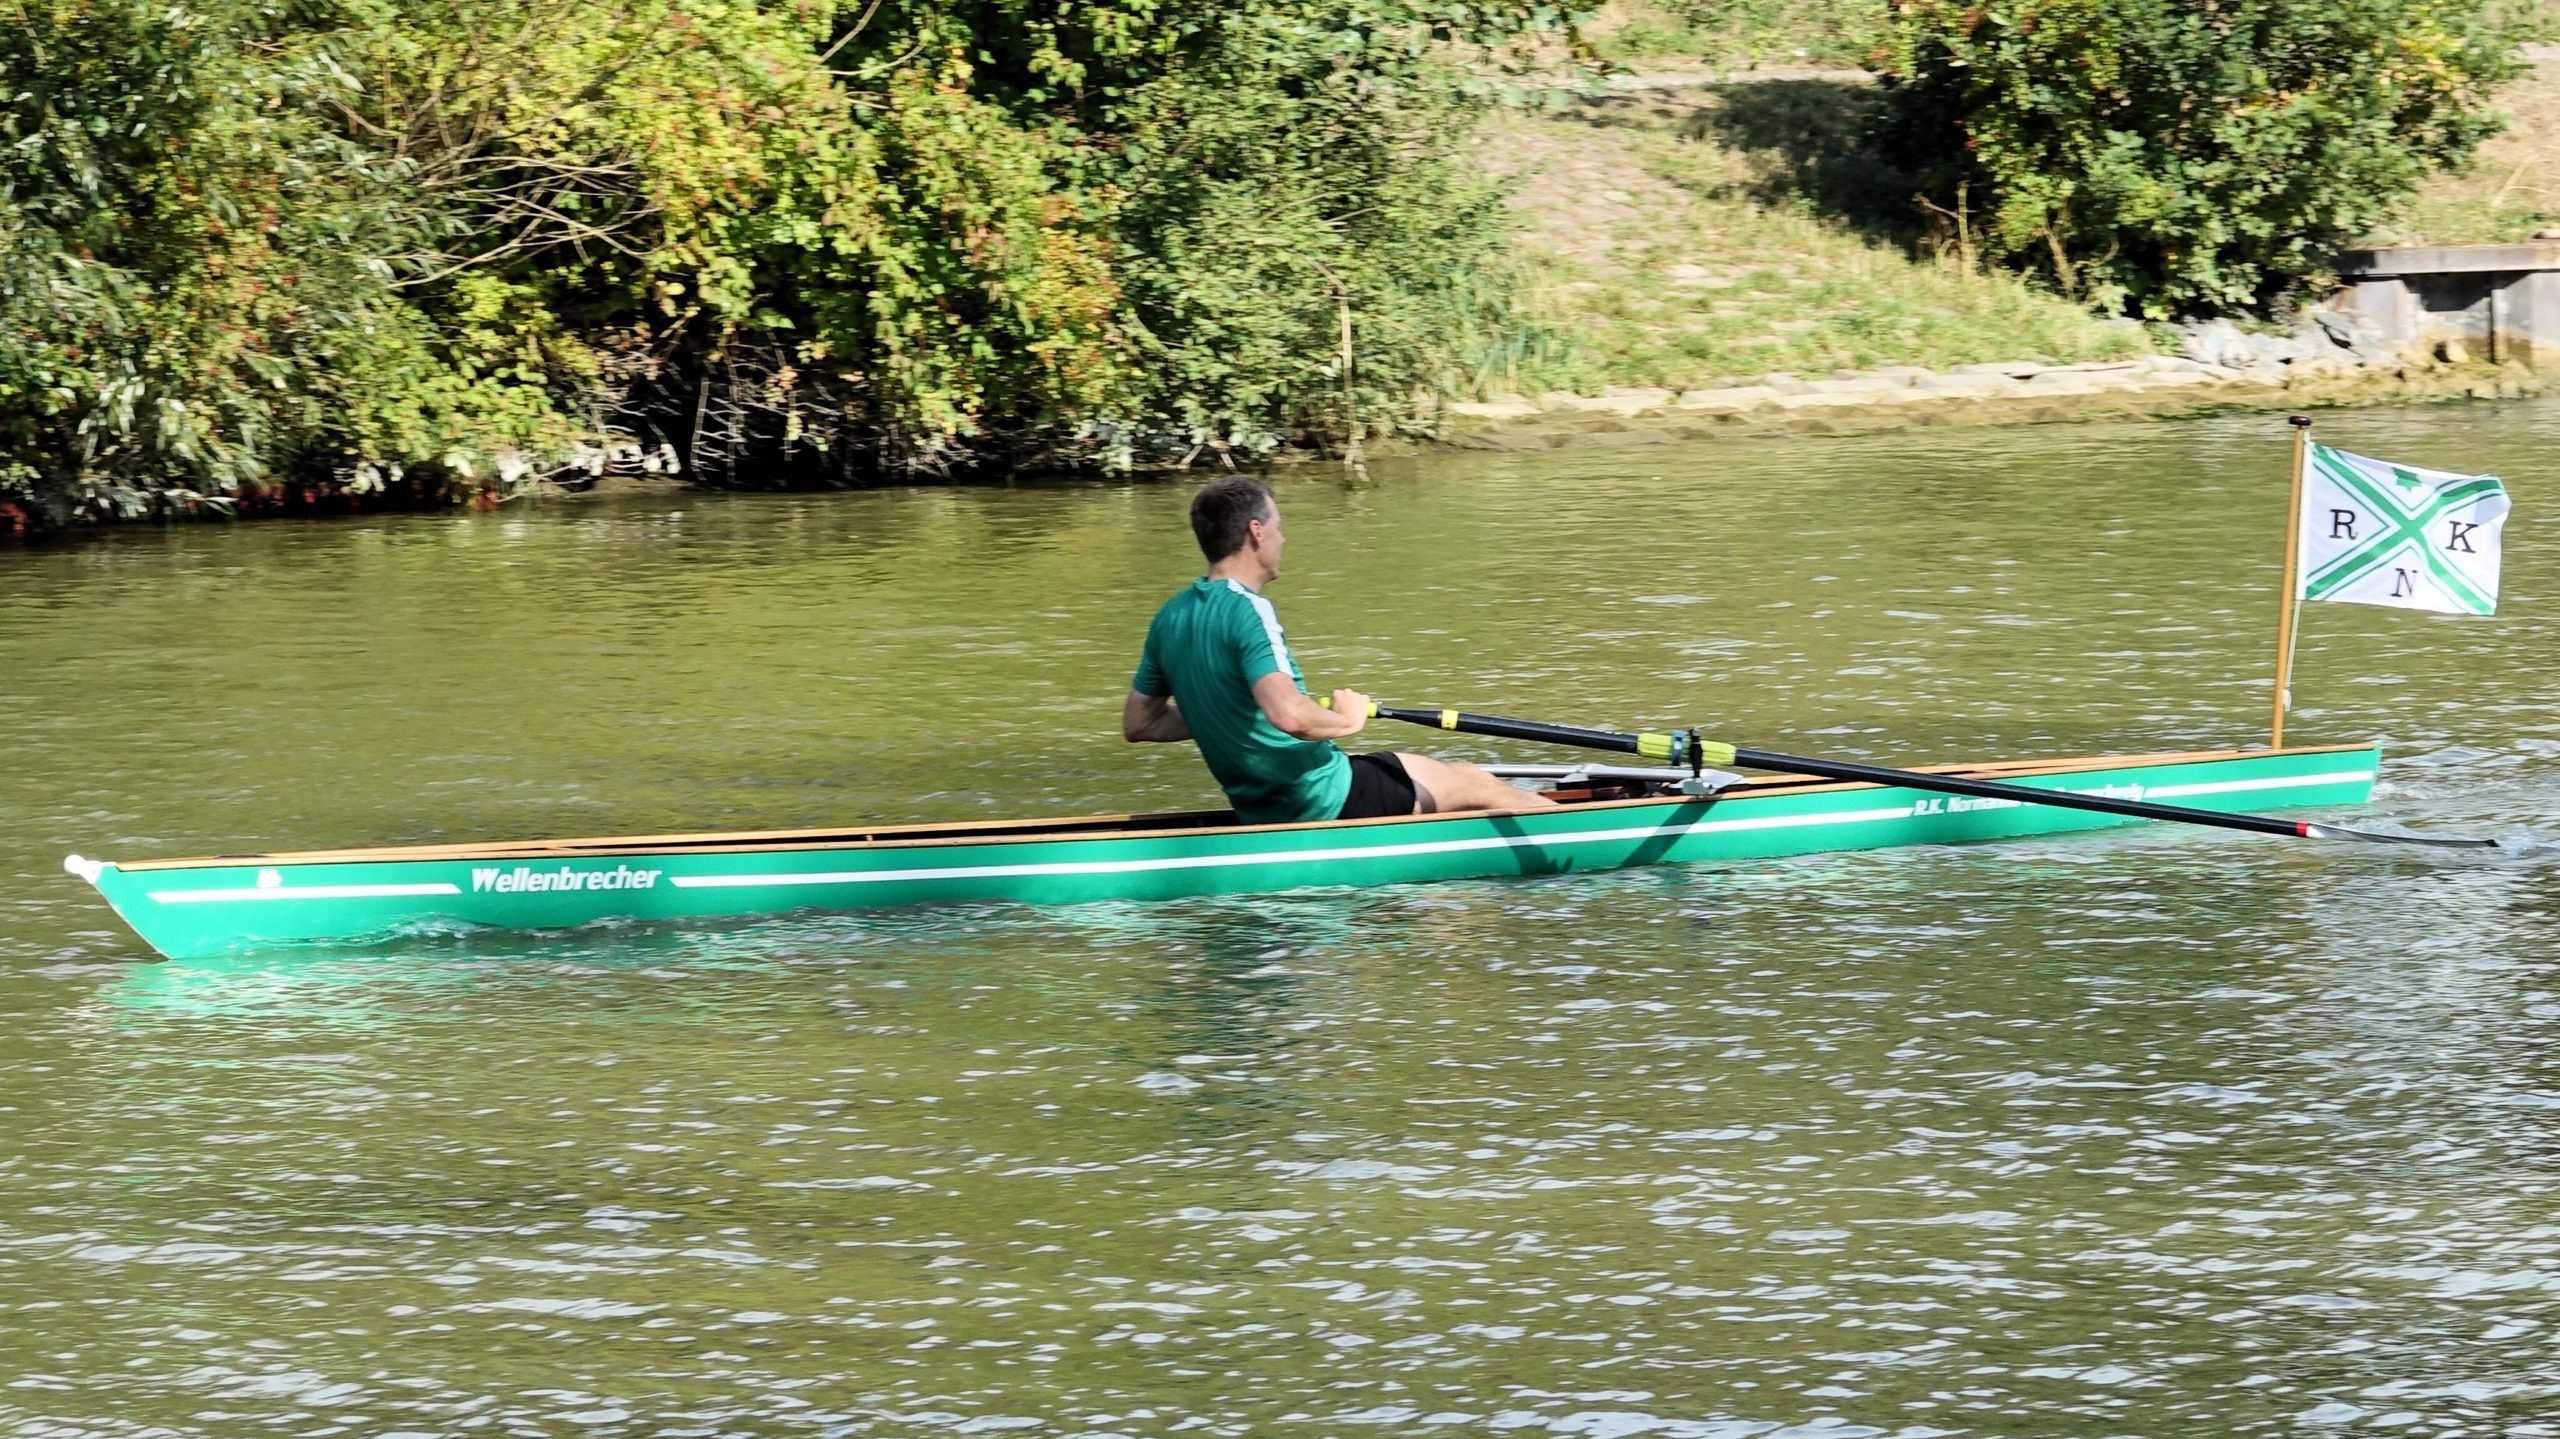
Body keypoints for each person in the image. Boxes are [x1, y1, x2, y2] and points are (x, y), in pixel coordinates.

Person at [1123, 476, 1557, 824]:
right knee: (1479, 787)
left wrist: (1224, 713)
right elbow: (1289, 715)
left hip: (1262, 808)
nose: (1283, 539)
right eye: (1278, 526)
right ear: (1256, 532)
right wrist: (1345, 720)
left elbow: (1141, 722)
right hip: (1323, 797)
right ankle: (1584, 833)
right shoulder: (1249, 611)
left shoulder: (1170, 617)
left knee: (1464, 775)